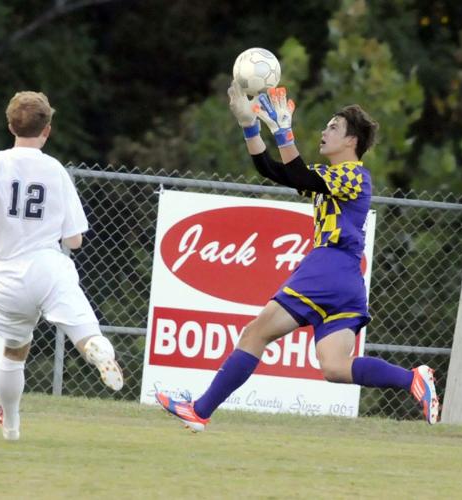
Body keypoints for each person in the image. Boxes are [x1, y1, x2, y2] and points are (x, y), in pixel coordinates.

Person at [154, 82, 440, 431]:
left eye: (333, 127)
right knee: (335, 367)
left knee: (254, 334)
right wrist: (249, 126)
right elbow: (274, 170)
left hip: (328, 267)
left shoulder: (354, 174)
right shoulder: (331, 176)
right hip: (346, 279)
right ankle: (412, 379)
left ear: (351, 141)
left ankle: (200, 410)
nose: (324, 132)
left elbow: (299, 173)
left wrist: (284, 132)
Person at [0, 91, 123, 441]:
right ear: (47, 130)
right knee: (86, 333)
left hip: (8, 275)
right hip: (49, 268)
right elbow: (74, 240)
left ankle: (11, 425)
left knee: (15, 351)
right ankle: (97, 348)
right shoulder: (56, 170)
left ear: (10, 125)